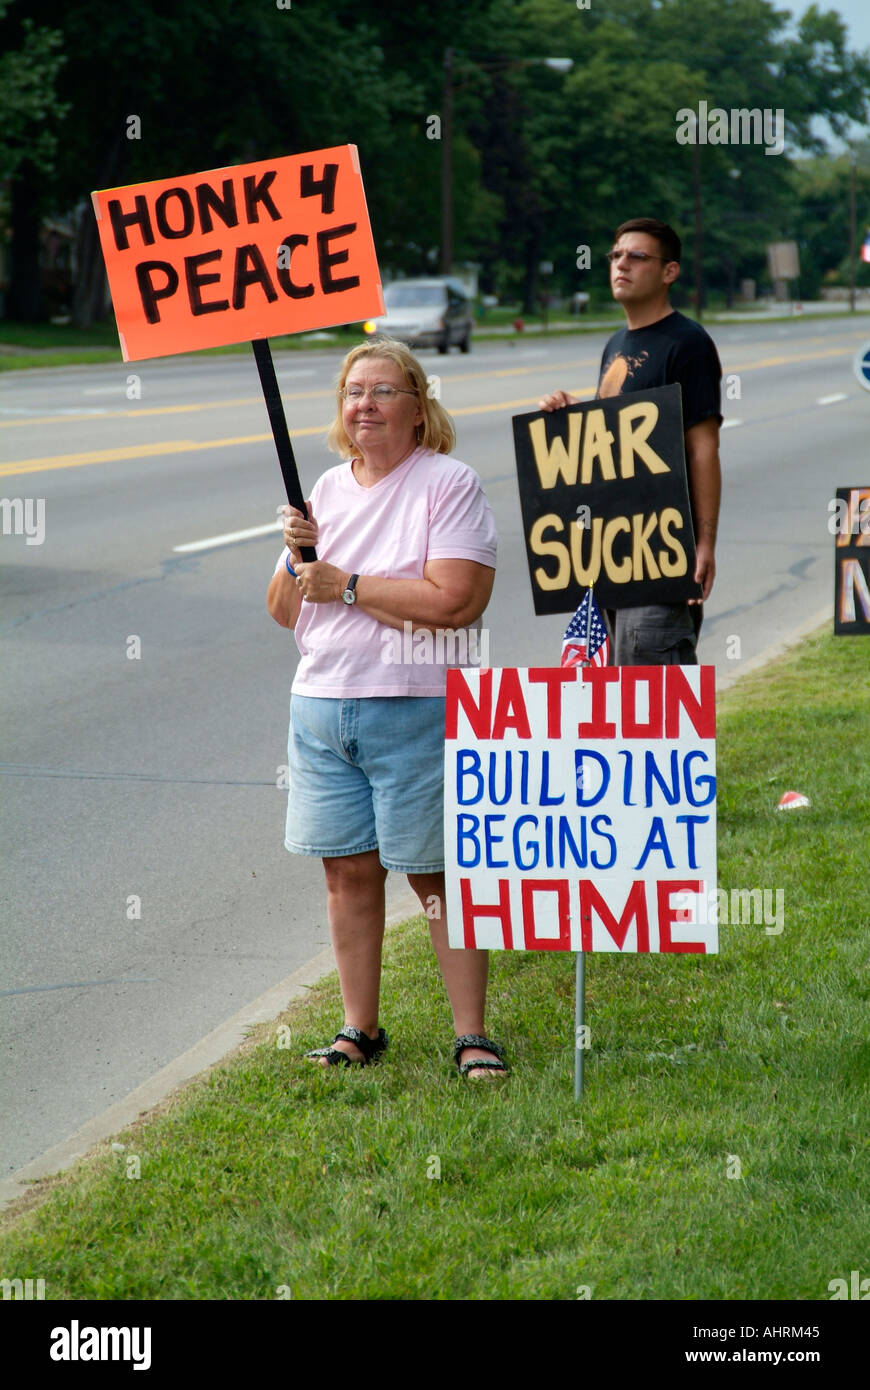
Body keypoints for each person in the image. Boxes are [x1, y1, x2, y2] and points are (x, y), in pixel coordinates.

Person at [266, 337, 506, 1079]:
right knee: (346, 875)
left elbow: (455, 602)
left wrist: (347, 584)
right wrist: (296, 553)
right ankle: (359, 1029)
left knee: (437, 877)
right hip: (322, 708)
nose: (364, 404)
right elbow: (283, 611)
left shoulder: (448, 483)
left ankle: (472, 1036)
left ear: (418, 405)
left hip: (414, 706)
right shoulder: (325, 493)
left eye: (382, 390)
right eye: (352, 392)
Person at [540, 217, 722, 665]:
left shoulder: (688, 343)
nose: (622, 264)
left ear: (669, 272)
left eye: (637, 256)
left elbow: (702, 449)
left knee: (653, 693)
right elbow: (619, 435)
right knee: (613, 701)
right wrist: (574, 413)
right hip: (610, 552)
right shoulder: (615, 344)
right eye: (616, 255)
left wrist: (703, 544)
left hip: (661, 549)